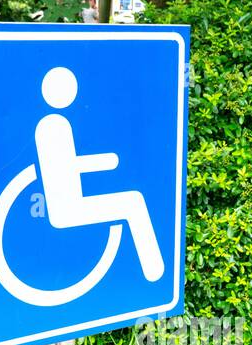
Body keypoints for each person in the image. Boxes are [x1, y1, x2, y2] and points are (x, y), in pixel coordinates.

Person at [33, 66, 163, 281]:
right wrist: (107, 161)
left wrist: (103, 162)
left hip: (70, 201)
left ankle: (153, 272)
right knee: (133, 202)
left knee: (133, 200)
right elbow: (64, 167)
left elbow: (66, 165)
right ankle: (153, 271)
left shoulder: (50, 124)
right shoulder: (55, 126)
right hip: (68, 207)